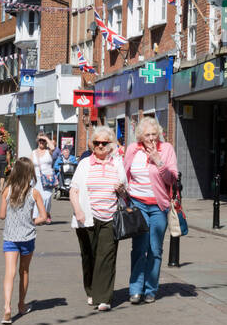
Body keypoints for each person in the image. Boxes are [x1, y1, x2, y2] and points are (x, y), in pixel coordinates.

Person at [123, 117, 180, 304]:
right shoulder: (133, 149)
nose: (151, 138)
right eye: (147, 135)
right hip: (138, 205)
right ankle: (135, 289)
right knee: (139, 249)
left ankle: (150, 289)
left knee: (155, 249)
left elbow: (171, 179)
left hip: (158, 206)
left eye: (154, 134)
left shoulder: (167, 149)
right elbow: (125, 174)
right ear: (140, 136)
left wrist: (158, 161)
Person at [70, 126, 124, 310]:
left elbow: (125, 191)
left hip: (110, 217)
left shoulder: (117, 163)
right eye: (97, 143)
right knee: (89, 256)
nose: (100, 146)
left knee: (106, 257)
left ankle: (104, 298)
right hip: (87, 216)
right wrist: (77, 210)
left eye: (104, 143)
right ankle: (92, 290)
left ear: (110, 145)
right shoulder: (85, 163)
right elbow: (74, 189)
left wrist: (121, 189)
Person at [0, 157, 49, 324]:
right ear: (30, 173)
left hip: (10, 236)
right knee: (24, 271)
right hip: (27, 236)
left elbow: (2, 215)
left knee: (9, 272)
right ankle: (21, 304)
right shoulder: (34, 193)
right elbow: (43, 216)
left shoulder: (7, 190)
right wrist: (31, 221)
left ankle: (7, 307)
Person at [29, 134, 56, 222]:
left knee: (47, 197)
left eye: (43, 141)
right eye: (40, 140)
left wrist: (46, 138)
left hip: (48, 178)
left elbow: (52, 147)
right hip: (36, 178)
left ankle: (46, 213)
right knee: (37, 197)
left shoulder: (49, 151)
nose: (41, 142)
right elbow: (30, 165)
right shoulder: (33, 152)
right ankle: (37, 217)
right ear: (37, 141)